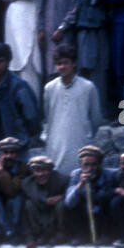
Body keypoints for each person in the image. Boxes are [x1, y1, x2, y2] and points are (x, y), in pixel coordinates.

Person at [57, 0, 112, 115]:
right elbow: (80, 0)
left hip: (98, 27)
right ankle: (83, 110)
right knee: (84, 68)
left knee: (99, 70)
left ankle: (101, 112)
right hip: (83, 27)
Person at [42, 46, 102, 178]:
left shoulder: (88, 87)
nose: (62, 67)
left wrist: (86, 135)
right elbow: (47, 117)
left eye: (65, 63)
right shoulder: (49, 88)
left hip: (80, 142)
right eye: (59, 64)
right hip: (55, 144)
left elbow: (96, 119)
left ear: (74, 64)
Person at [0, 42, 42, 151]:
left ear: (8, 63)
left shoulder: (19, 86)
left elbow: (31, 115)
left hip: (17, 140)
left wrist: (30, 139)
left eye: (0, 62)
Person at [0, 0, 47, 97]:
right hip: (12, 20)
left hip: (29, 19)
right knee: (13, 61)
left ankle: (31, 111)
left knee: (29, 64)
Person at [64, 143, 115, 244]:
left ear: (100, 163)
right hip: (84, 213)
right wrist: (80, 185)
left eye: (94, 164)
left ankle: (105, 236)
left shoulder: (108, 175)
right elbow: (69, 202)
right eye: (86, 165)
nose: (90, 168)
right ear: (80, 164)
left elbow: (108, 195)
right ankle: (81, 236)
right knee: (71, 206)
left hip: (100, 212)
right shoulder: (76, 175)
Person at [19, 154, 68, 248]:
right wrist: (30, 239)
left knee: (61, 204)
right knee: (28, 204)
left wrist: (62, 196)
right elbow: (25, 213)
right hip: (39, 217)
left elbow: (71, 194)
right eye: (37, 171)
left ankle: (60, 234)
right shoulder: (27, 184)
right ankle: (39, 235)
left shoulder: (62, 180)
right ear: (33, 172)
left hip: (55, 216)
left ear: (50, 170)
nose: (40, 174)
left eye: (44, 170)